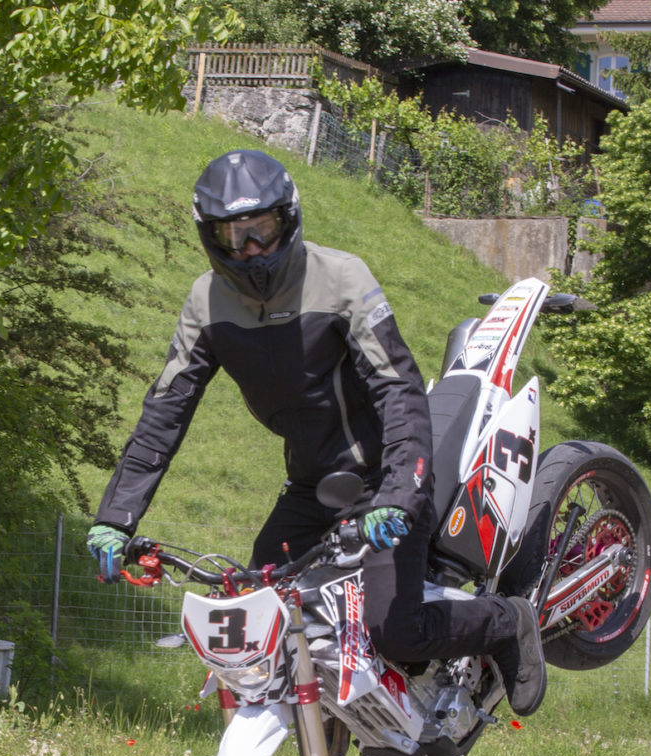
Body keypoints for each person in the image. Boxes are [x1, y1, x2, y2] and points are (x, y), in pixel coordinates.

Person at [85, 149, 545, 714]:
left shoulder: (342, 278)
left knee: (397, 631)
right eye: (235, 236)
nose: (253, 249)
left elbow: (399, 392)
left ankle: (507, 621)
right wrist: (115, 518)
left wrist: (399, 495)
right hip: (311, 487)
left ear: (290, 218)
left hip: (382, 480)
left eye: (264, 229)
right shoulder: (206, 303)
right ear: (211, 237)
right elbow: (164, 413)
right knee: (255, 617)